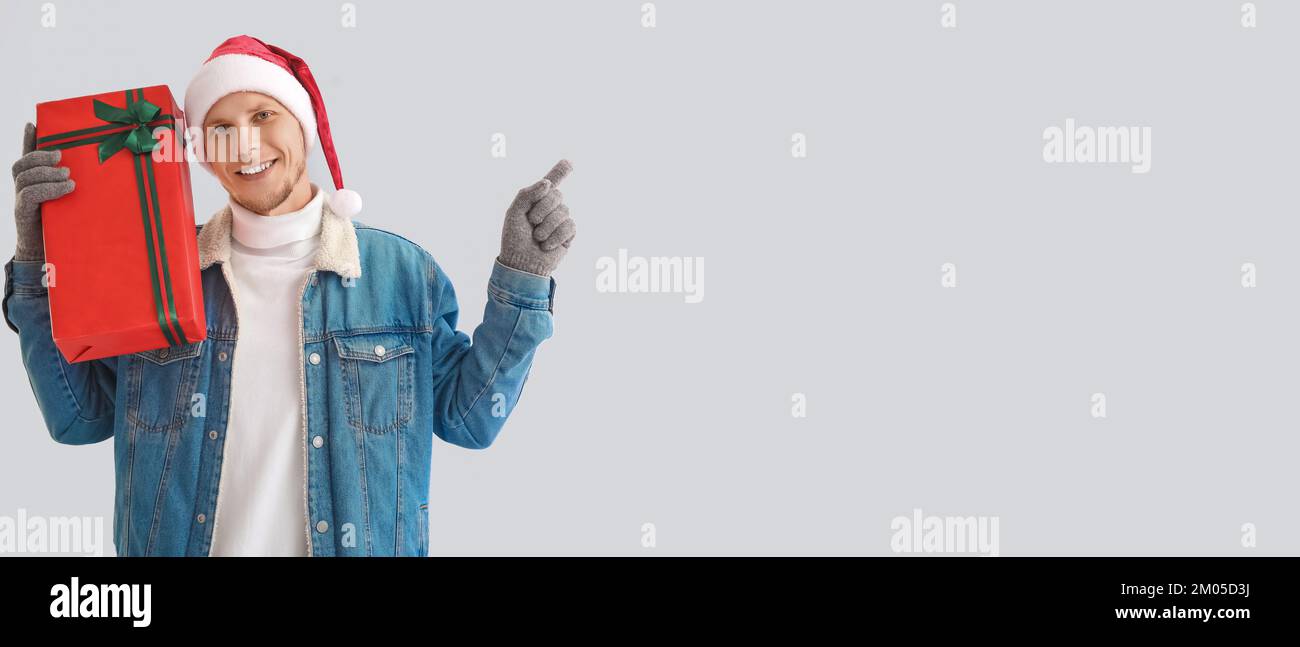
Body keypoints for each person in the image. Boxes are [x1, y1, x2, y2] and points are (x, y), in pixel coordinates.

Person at [3, 35, 575, 556]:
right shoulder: (160, 275)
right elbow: (78, 418)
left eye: (263, 114)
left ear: (300, 124)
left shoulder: (400, 274)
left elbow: (470, 422)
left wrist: (522, 278)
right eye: (221, 128)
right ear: (202, 153)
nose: (245, 143)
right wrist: (36, 260)